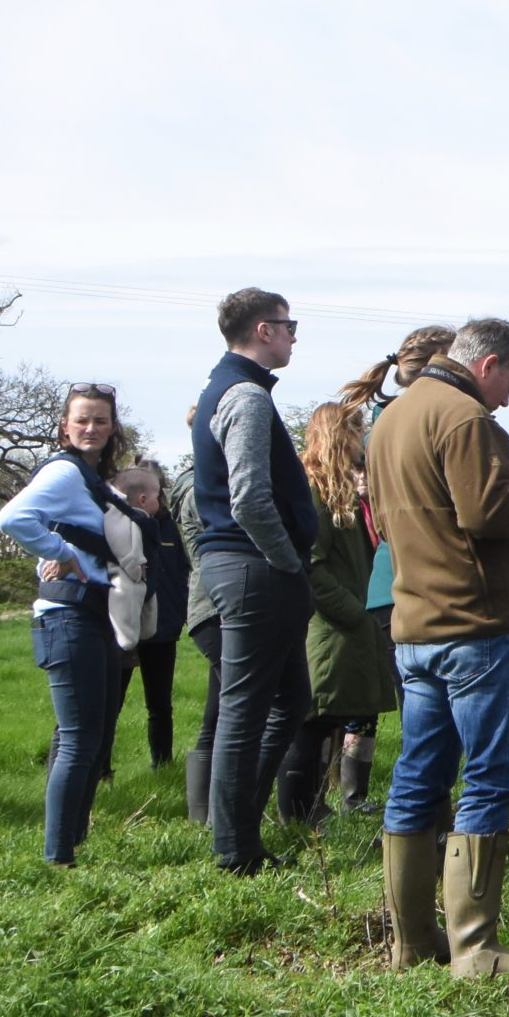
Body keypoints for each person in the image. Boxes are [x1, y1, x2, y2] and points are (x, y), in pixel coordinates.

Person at [366, 317, 509, 977]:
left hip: (414, 623)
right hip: (475, 625)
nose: (508, 398)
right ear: (487, 366)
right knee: (490, 776)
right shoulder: (466, 418)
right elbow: (485, 515)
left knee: (417, 777)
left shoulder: (392, 418)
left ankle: (410, 943)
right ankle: (476, 950)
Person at [191, 287, 321, 874]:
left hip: (247, 567)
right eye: (289, 326)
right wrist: (287, 561)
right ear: (263, 330)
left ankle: (240, 827)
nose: (293, 336)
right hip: (254, 568)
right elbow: (247, 496)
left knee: (289, 702)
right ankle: (234, 849)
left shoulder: (227, 387)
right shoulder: (244, 394)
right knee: (245, 714)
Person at [0, 382, 135, 864]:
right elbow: (13, 518)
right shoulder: (64, 471)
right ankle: (58, 857)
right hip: (68, 615)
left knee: (93, 739)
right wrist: (58, 551)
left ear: (112, 427)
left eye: (100, 420)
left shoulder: (93, 479)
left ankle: (72, 844)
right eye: (82, 419)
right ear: (65, 426)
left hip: (95, 614)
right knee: (79, 740)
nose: (91, 428)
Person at [338, 325, 454, 809]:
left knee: (420, 713)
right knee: (427, 718)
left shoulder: (383, 420)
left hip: (388, 584)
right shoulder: (420, 419)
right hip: (415, 581)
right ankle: (422, 819)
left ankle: (419, 817)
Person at [276, 403, 394, 824]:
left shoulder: (339, 488)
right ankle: (297, 815)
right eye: (356, 431)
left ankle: (318, 807)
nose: (362, 441)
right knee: (312, 720)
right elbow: (312, 564)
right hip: (328, 626)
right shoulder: (313, 487)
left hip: (344, 625)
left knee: (332, 717)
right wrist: (352, 612)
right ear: (338, 435)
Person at [102, 461, 183, 777]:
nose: (160, 499)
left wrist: (178, 613)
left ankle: (163, 766)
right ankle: (101, 768)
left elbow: (180, 570)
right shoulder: (118, 526)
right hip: (123, 625)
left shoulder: (170, 527)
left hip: (163, 627)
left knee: (160, 704)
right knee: (112, 702)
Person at [170, 443, 223, 824]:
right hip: (213, 604)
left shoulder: (203, 484)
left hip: (215, 603)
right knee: (230, 707)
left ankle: (203, 813)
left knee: (218, 707)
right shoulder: (199, 489)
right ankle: (212, 812)